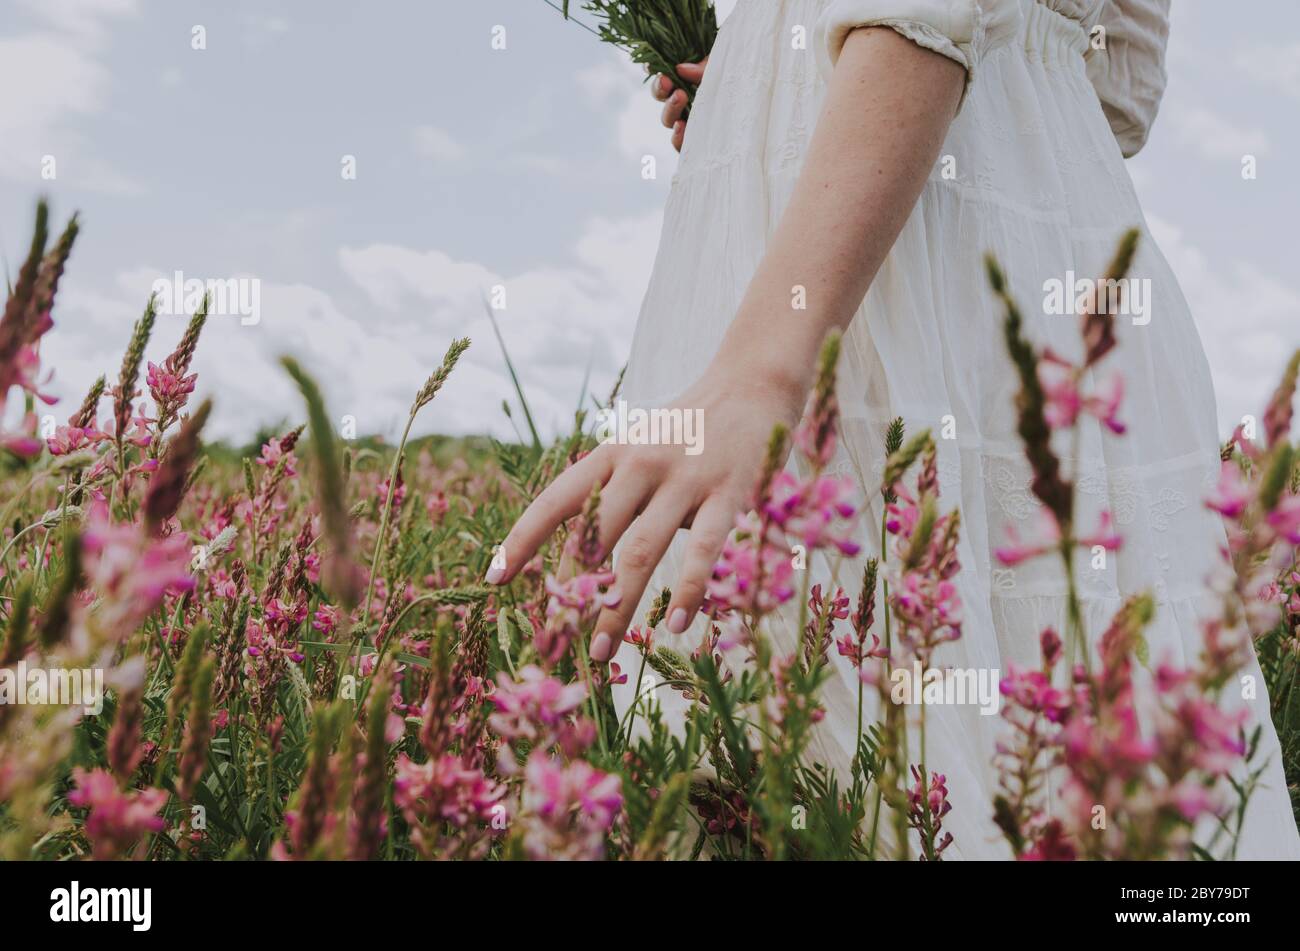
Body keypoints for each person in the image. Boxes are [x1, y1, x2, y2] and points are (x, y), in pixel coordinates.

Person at [490, 0, 1300, 857]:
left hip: (864, 297)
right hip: (1018, 241)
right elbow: (1109, 86)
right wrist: (769, 87)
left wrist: (760, 367)